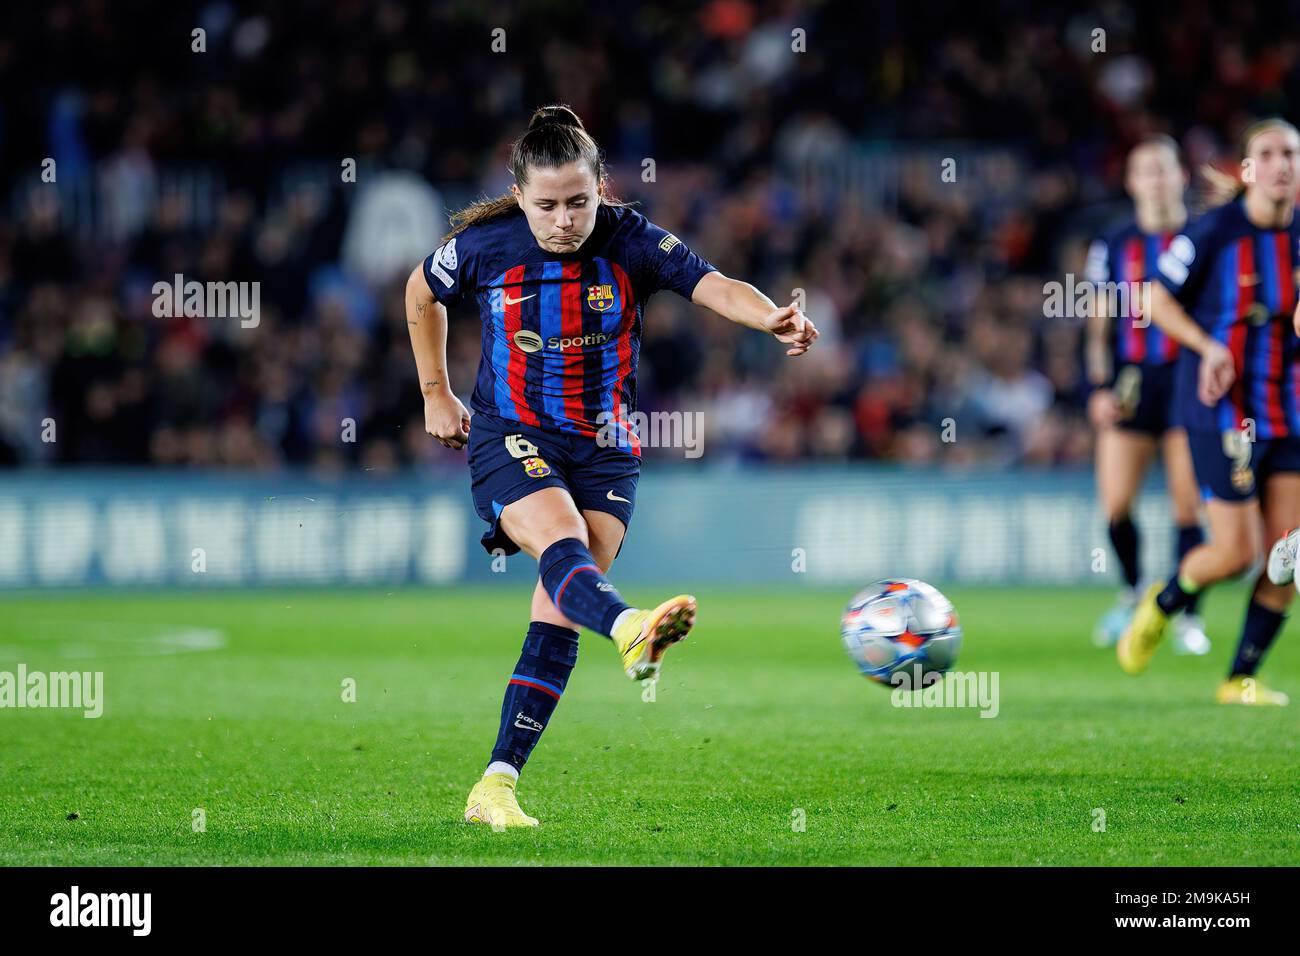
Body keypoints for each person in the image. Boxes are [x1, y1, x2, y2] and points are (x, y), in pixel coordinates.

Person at [404, 105, 820, 826]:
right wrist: (436, 392)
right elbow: (420, 294)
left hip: (604, 449)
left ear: (602, 188)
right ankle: (632, 629)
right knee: (564, 548)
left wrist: (770, 317)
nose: (563, 220)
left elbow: (714, 284)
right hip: (510, 432)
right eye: (547, 205)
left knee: (562, 604)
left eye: (578, 202)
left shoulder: (631, 241)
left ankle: (495, 786)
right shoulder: (484, 246)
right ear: (519, 195)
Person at [1118, 118, 1300, 705]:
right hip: (1222, 410)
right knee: (1236, 553)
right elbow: (1156, 299)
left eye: (1291, 154)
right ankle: (1163, 601)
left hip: (1289, 409)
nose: (1281, 164)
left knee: (1287, 553)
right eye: (1268, 154)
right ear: (1247, 171)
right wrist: (1208, 346)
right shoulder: (1213, 232)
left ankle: (1240, 678)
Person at [1084, 136, 1210, 654]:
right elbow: (1097, 325)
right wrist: (1096, 387)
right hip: (1133, 384)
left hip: (1190, 381)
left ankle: (1186, 617)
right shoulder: (1113, 243)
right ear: (1132, 182)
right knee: (1115, 505)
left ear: (1181, 176)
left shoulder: (1206, 235)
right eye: (1145, 171)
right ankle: (1133, 592)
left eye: (1163, 169)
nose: (1156, 179)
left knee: (1189, 508)